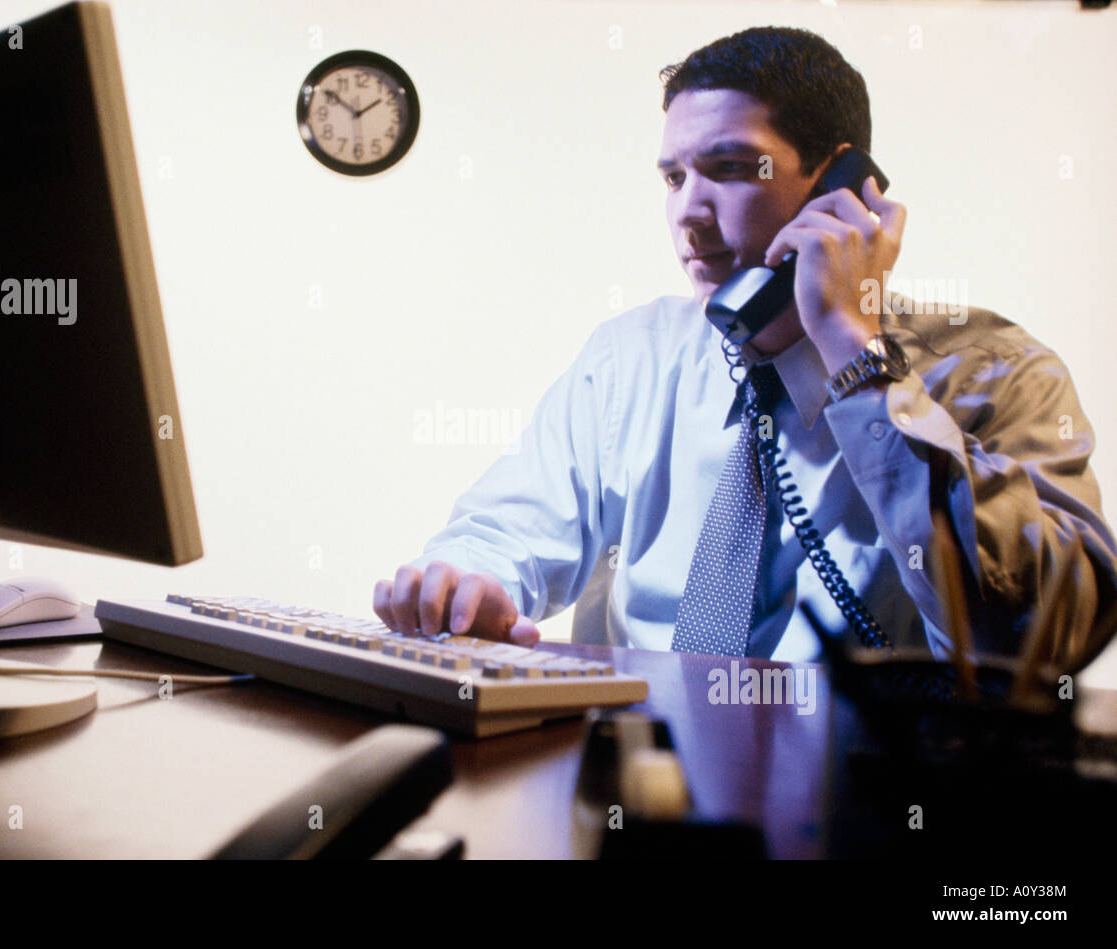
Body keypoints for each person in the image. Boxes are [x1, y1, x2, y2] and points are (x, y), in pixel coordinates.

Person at [371, 26, 1117, 668]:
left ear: (843, 185)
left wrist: (854, 358)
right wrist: (465, 585)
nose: (687, 215)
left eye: (729, 169)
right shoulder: (627, 359)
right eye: (673, 177)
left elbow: (1047, 638)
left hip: (876, 797)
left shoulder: (1002, 374)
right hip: (632, 789)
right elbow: (505, 532)